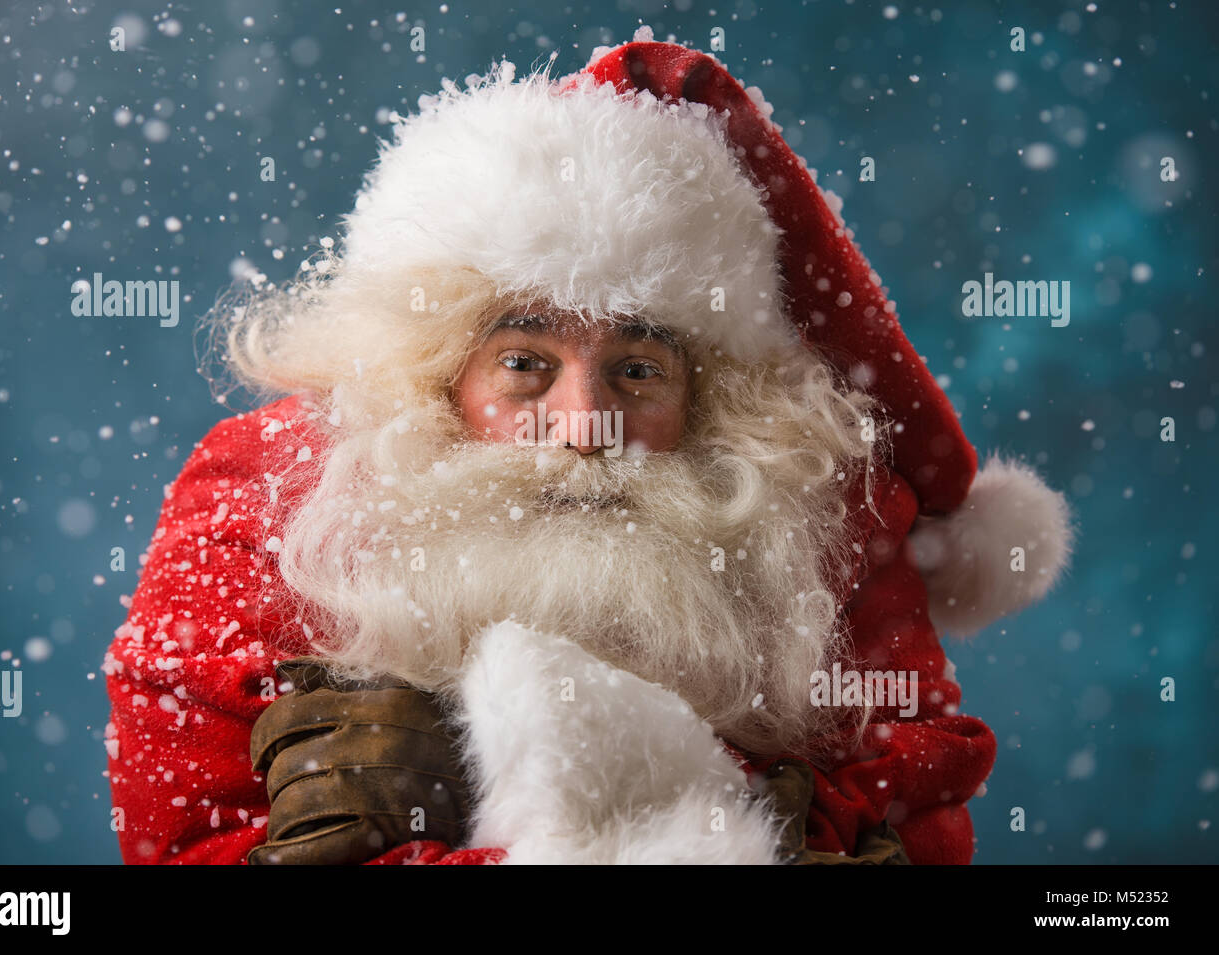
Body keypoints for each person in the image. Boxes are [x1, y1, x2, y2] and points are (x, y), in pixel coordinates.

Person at [103, 31, 1074, 865]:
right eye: (524, 360)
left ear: (714, 395)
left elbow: (923, 797)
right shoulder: (263, 501)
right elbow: (181, 832)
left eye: (638, 369)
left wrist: (720, 807)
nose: (583, 425)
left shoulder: (813, 519)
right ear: (432, 373)